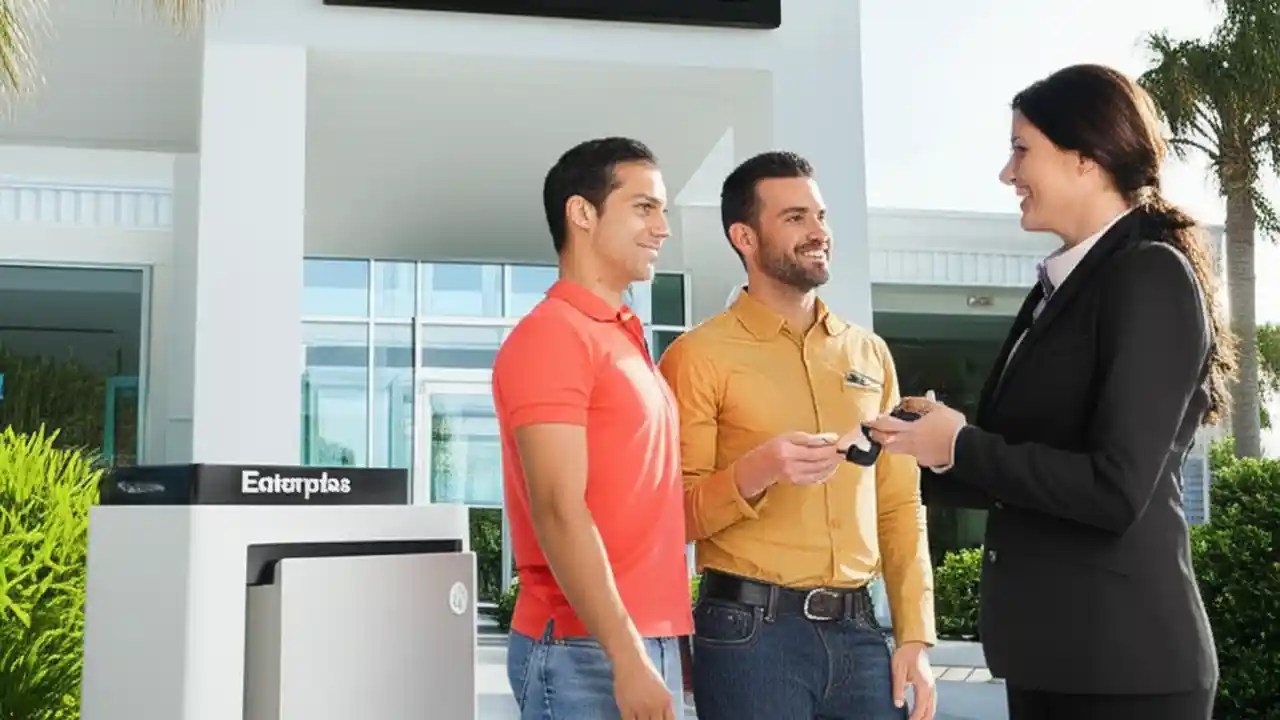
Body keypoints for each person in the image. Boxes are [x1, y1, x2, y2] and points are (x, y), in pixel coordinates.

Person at [864, 64, 1232, 720]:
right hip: (1056, 659)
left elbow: (1115, 490)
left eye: (1021, 149)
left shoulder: (1149, 275)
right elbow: (1019, 470)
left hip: (1125, 670)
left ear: (1084, 158)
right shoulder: (1058, 288)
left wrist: (962, 445)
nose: (1008, 174)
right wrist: (916, 447)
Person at [658, 151, 938, 720]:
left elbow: (898, 503)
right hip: (748, 636)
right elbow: (672, 518)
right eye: (794, 218)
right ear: (744, 237)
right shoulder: (697, 356)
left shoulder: (869, 353)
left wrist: (915, 634)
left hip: (861, 634)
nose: (819, 232)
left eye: (820, 215)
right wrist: (756, 471)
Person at [493, 137, 692, 720]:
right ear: (582, 213)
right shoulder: (553, 335)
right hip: (586, 648)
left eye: (663, 210)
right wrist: (626, 655)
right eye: (644, 208)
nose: (663, 228)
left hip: (638, 639)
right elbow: (559, 509)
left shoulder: (623, 336)